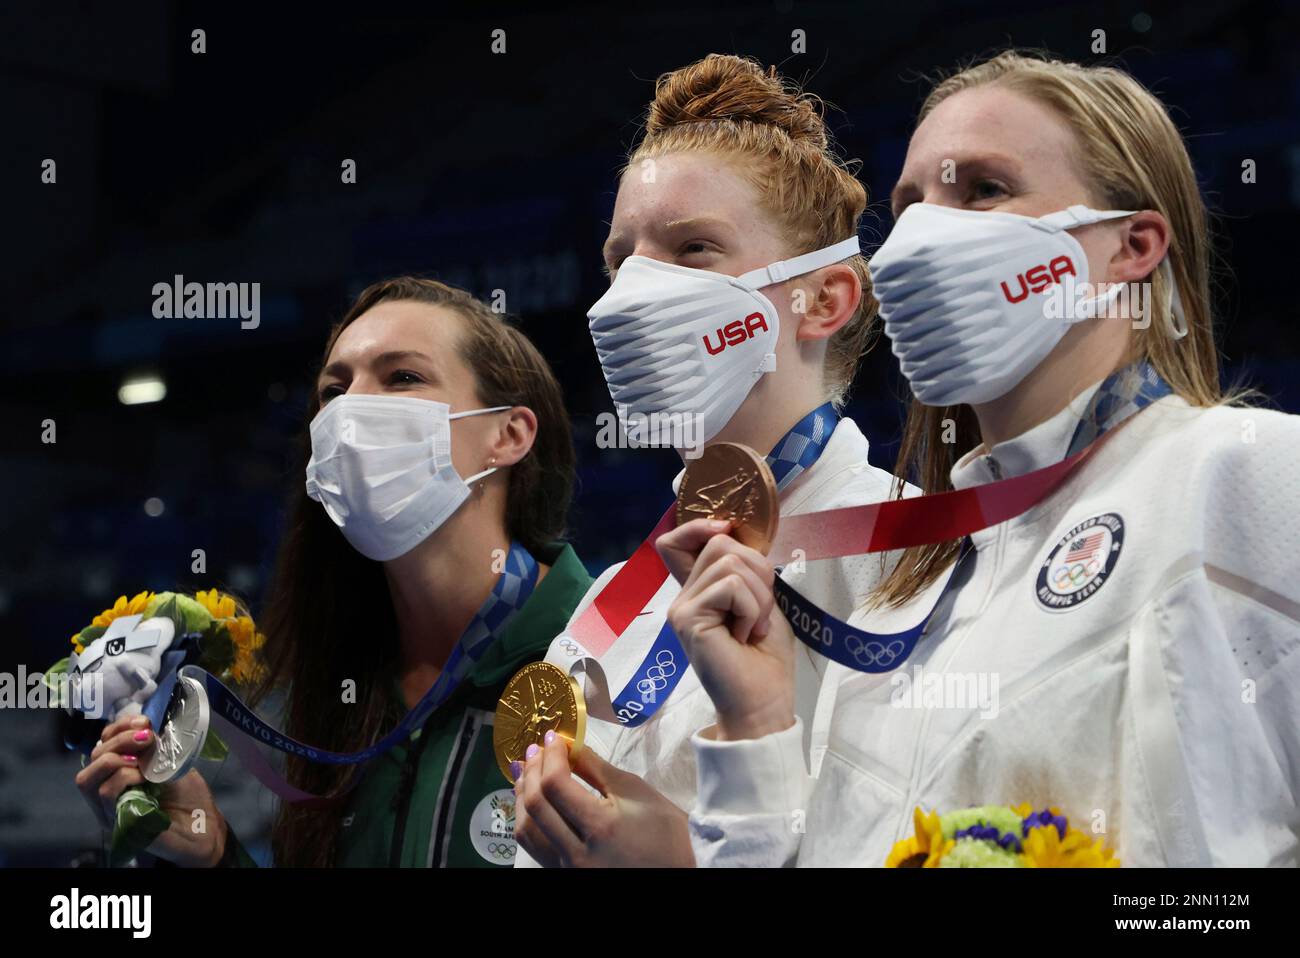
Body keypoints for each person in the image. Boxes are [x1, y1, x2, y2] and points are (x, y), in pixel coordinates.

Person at [670, 50, 1300, 867]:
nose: (922, 236)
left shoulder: (1244, 472)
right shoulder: (901, 596)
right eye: (910, 205)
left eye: (983, 190)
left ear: (1131, 247)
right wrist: (755, 731)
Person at [512, 54, 903, 867]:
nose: (631, 297)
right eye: (623, 261)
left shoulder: (913, 563)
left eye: (692, 250)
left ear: (823, 299)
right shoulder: (601, 619)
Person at [76, 277, 592, 867]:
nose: (350, 409)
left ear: (508, 434)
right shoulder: (342, 686)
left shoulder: (606, 658)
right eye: (333, 389)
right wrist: (216, 858)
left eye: (402, 377)